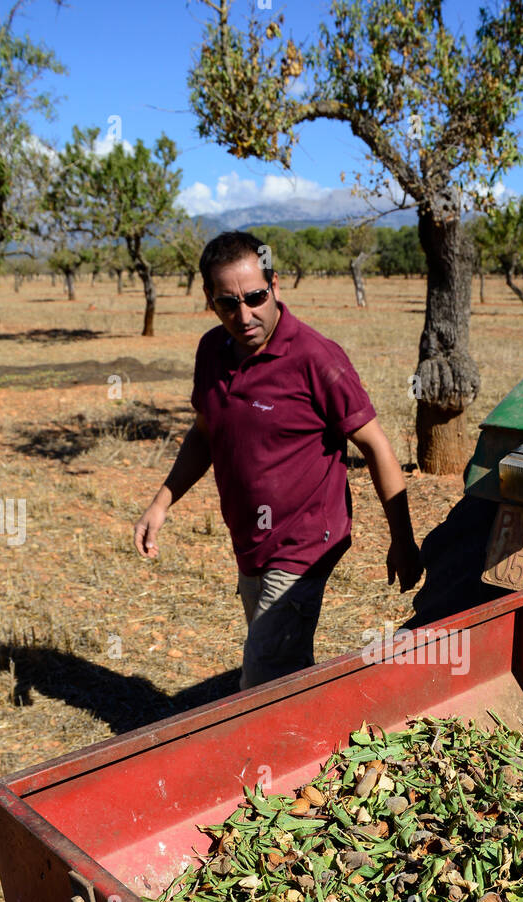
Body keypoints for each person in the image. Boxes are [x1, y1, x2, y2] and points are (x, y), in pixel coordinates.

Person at [134, 230, 423, 688]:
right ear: (210, 302)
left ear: (275, 287)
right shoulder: (212, 351)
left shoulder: (315, 358)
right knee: (280, 665)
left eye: (255, 297)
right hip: (249, 538)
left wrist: (402, 541)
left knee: (262, 682)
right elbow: (205, 434)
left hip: (304, 541)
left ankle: (271, 750)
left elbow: (377, 447)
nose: (244, 315)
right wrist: (162, 502)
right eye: (228, 303)